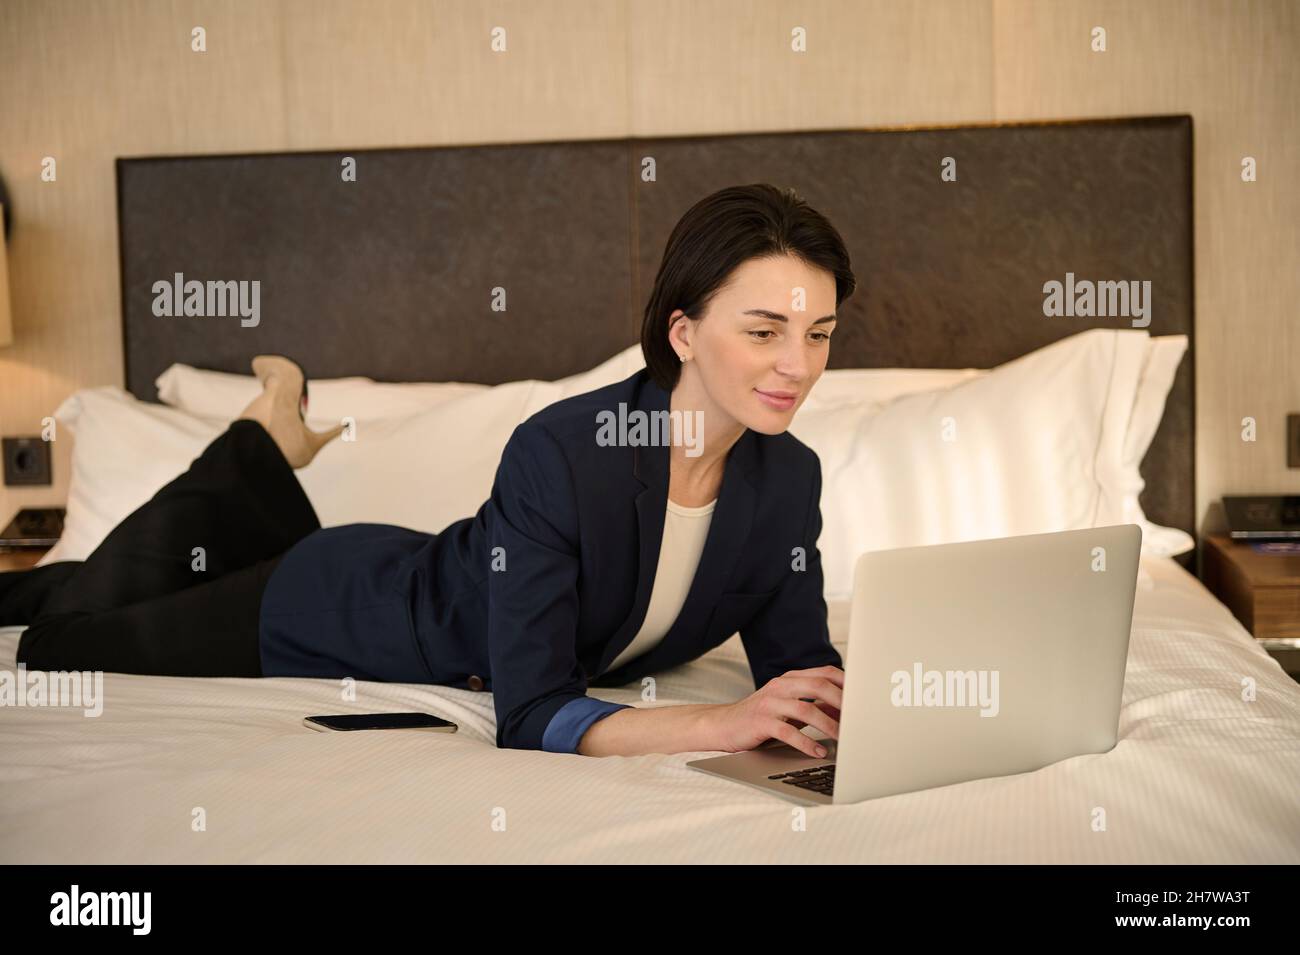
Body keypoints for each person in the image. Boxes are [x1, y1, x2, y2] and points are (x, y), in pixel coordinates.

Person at [4, 183, 855, 759]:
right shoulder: (563, 453)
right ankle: (259, 437)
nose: (797, 364)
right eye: (762, 331)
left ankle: (263, 461)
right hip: (340, 604)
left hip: (418, 562)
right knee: (57, 641)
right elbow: (531, 715)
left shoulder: (787, 482)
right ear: (682, 334)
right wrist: (720, 722)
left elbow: (801, 673)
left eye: (817, 333)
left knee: (72, 594)